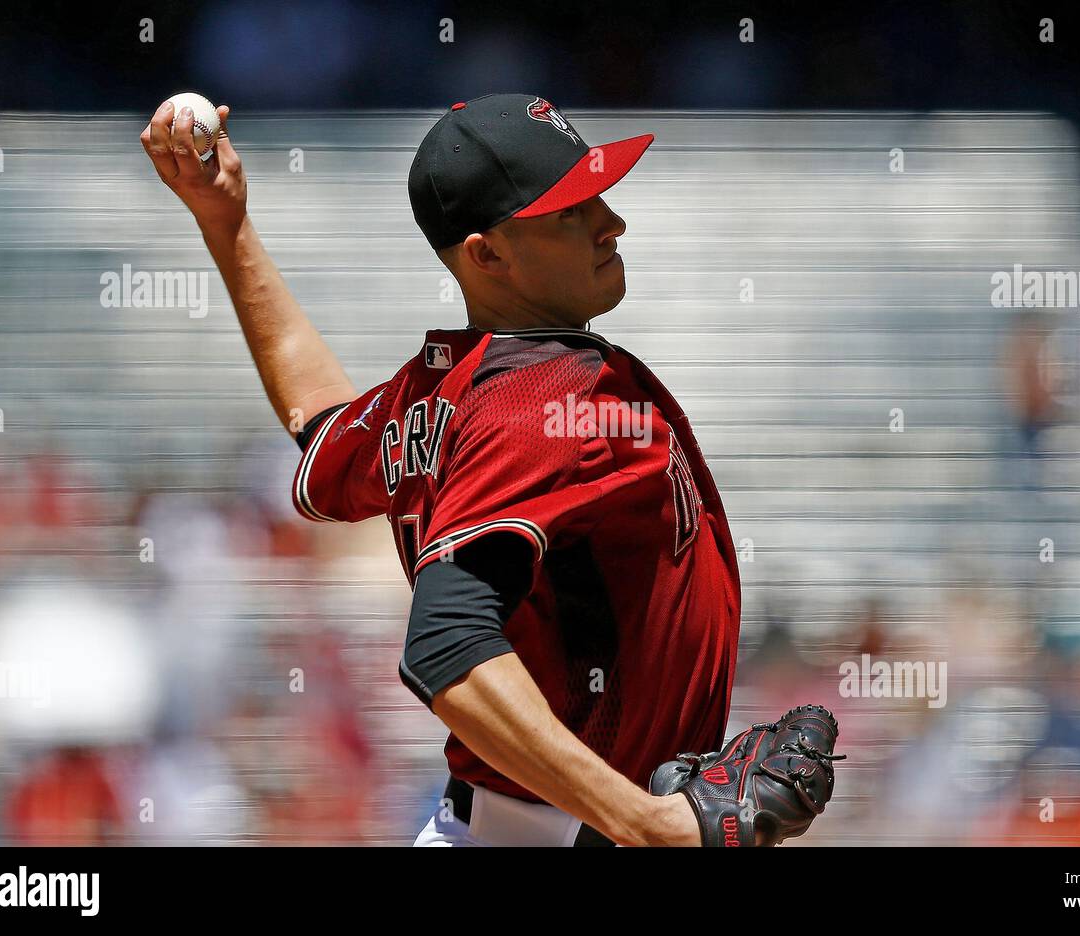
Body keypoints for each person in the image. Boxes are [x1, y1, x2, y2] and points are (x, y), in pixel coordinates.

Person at [141, 92, 752, 846]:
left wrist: (226, 223)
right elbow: (449, 647)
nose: (611, 222)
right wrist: (649, 824)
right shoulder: (543, 400)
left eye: (596, 195)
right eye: (569, 212)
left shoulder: (442, 386)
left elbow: (323, 422)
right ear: (486, 255)